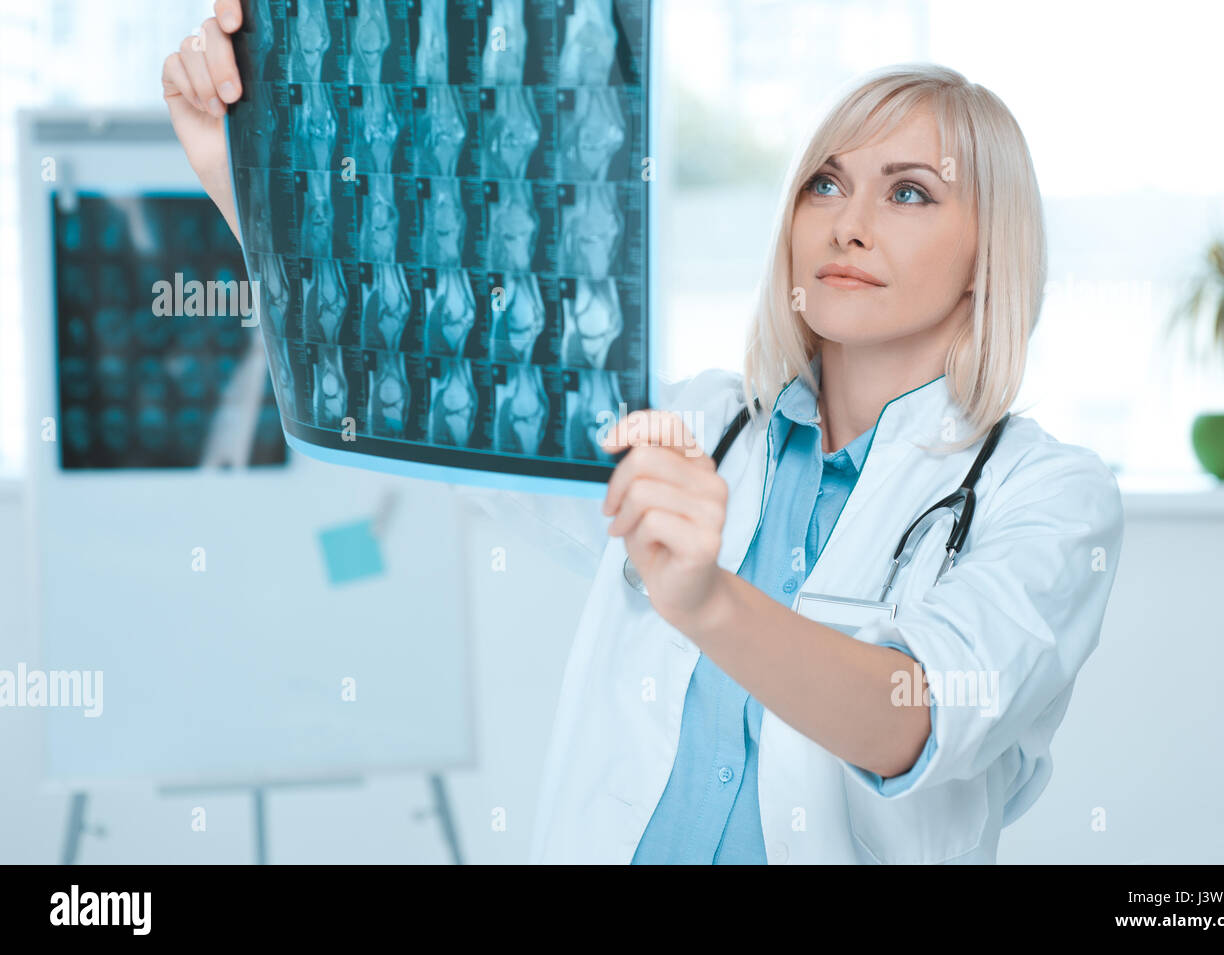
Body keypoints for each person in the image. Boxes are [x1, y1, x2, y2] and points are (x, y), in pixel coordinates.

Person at [164, 3, 1123, 865]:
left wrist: (708, 601)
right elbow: (424, 378)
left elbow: (913, 719)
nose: (850, 224)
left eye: (910, 192)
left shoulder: (1045, 497)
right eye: (825, 185)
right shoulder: (696, 427)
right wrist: (241, 182)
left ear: (985, 255)